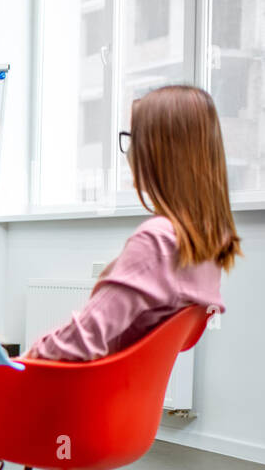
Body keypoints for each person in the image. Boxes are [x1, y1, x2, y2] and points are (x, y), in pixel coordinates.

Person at [26, 85, 240, 361]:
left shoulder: (159, 240)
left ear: (160, 151)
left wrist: (22, 361)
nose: (129, 154)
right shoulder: (206, 241)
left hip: (89, 396)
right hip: (127, 398)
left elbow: (83, 339)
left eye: (133, 139)